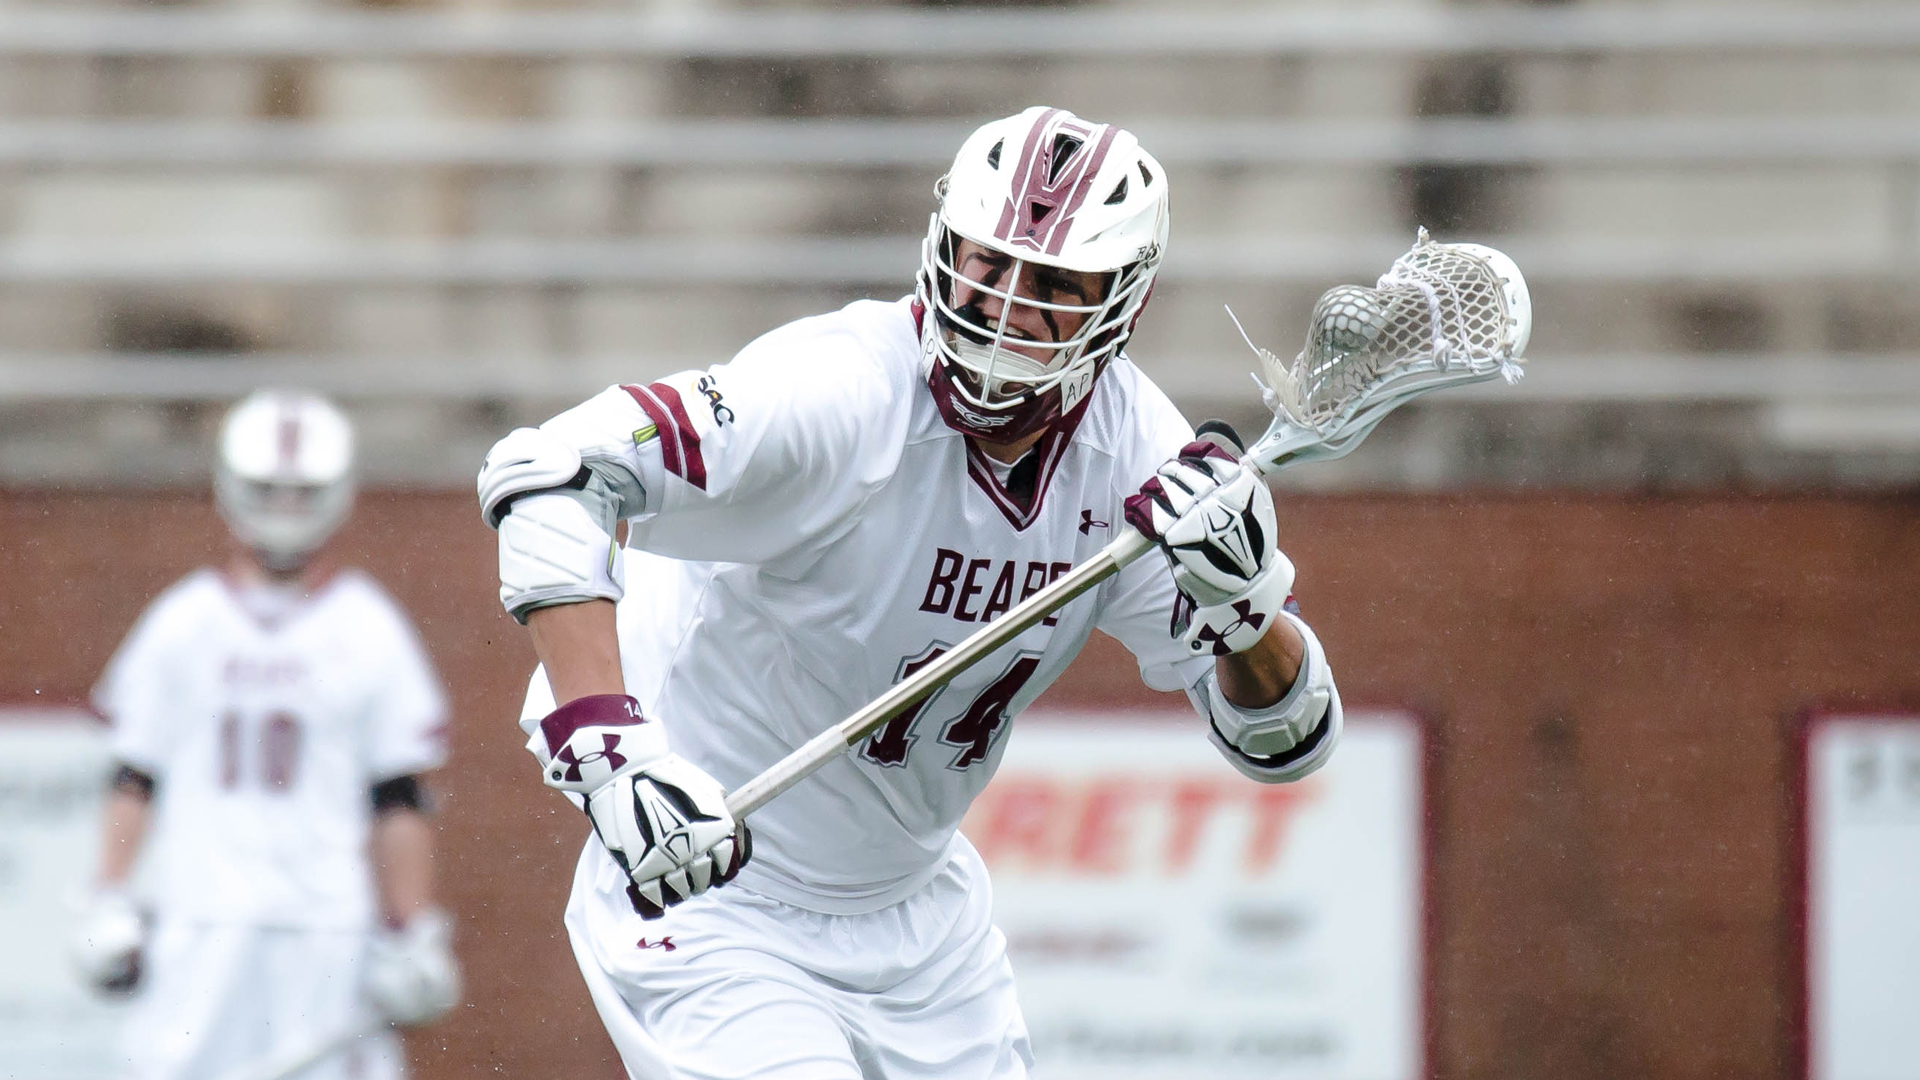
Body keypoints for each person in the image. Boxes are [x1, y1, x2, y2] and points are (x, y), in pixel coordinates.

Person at [477, 105, 1342, 1079]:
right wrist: (612, 755)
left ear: (1125, 303)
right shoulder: (839, 393)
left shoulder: (1137, 455)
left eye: (1054, 282)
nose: (1007, 305)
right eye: (986, 263)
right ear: (942, 246)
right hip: (718, 896)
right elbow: (544, 473)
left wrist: (1247, 609)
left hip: (924, 921)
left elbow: (1287, 742)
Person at [72, 390, 461, 1080]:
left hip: (326, 923)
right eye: (267, 490)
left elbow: (399, 795)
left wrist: (412, 926)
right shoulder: (184, 621)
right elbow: (136, 776)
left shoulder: (369, 628)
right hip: (202, 916)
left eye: (302, 491)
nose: (284, 509)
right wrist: (110, 894)